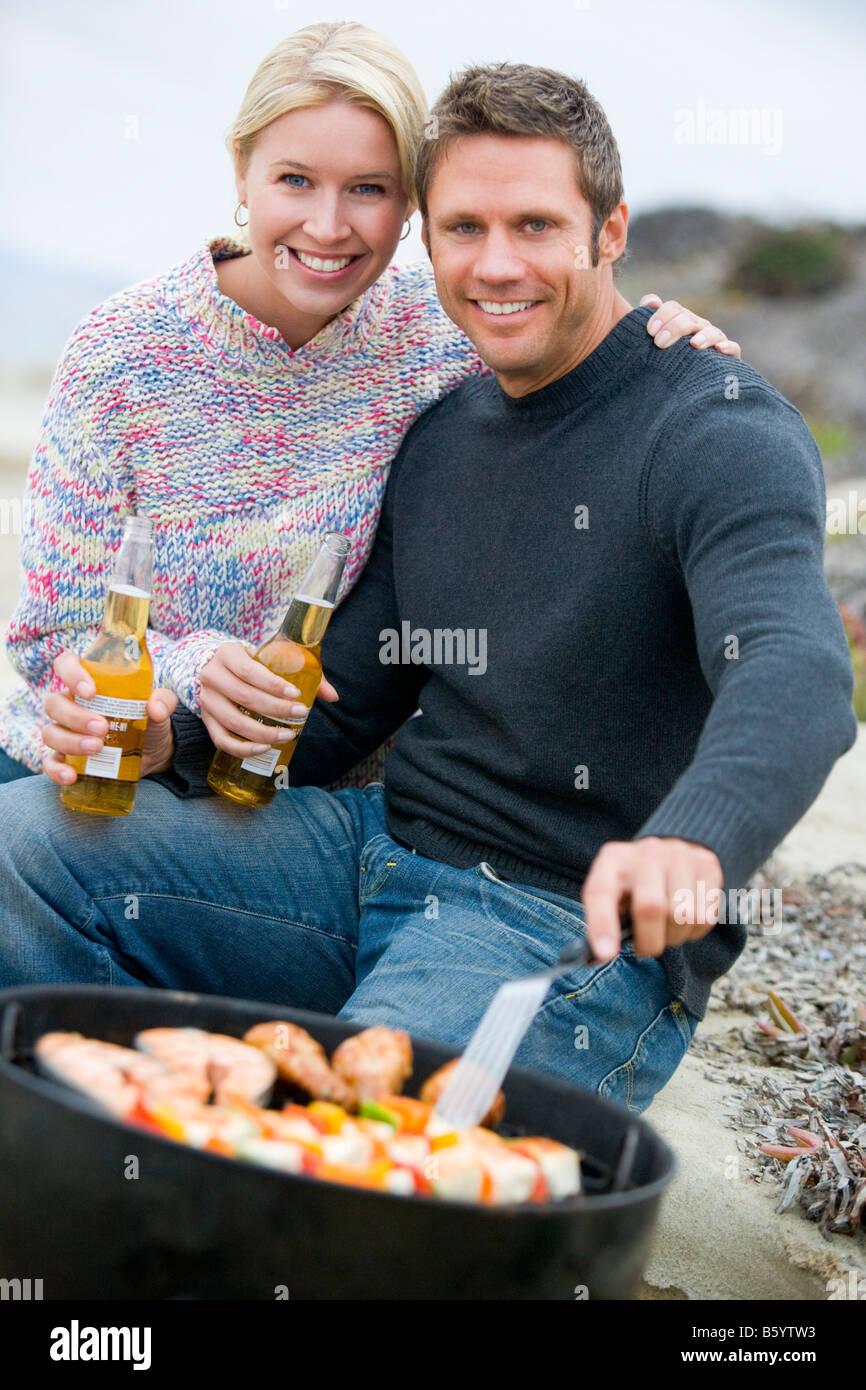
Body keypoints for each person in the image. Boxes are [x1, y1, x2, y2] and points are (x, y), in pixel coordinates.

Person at [3, 61, 836, 1118]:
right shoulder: (443, 430)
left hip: (551, 918)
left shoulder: (717, 430)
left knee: (359, 1132)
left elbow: (794, 664)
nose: (495, 266)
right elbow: (350, 687)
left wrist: (699, 839)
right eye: (462, 229)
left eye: (534, 225)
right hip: (366, 855)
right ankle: (75, 1143)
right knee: (29, 842)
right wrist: (181, 739)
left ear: (610, 231)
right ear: (424, 241)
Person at [0, 21, 734, 790]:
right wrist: (192, 670)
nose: (327, 225)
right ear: (241, 173)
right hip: (105, 755)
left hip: (317, 779)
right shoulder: (121, 352)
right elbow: (54, 632)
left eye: (368, 190)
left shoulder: (445, 327)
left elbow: (570, 343)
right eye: (294, 180)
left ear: (411, 206)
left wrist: (662, 343)